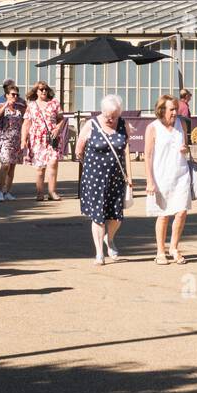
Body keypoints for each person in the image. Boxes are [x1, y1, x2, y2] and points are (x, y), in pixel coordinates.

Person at [76, 94, 132, 265]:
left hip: (117, 177)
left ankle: (110, 238)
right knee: (98, 216)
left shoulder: (123, 125)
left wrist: (129, 175)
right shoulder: (91, 125)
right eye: (107, 116)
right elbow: (79, 150)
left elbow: (126, 150)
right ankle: (99, 252)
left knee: (116, 216)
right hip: (95, 178)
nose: (110, 119)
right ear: (102, 111)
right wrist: (90, 167)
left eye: (114, 116)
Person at [145, 95, 192, 264]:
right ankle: (160, 251)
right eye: (171, 109)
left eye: (175, 109)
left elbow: (185, 146)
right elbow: (148, 156)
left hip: (181, 174)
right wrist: (150, 180)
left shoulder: (182, 124)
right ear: (161, 110)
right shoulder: (153, 128)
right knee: (163, 215)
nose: (175, 112)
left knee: (181, 212)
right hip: (161, 176)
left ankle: (174, 247)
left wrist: (185, 149)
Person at [21, 81, 64, 200]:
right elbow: (26, 123)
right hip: (37, 139)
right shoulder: (32, 105)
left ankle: (52, 192)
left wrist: (58, 128)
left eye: (45, 89)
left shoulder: (54, 103)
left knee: (53, 162)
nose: (44, 91)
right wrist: (23, 139)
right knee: (40, 168)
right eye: (41, 89)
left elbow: (61, 119)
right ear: (36, 92)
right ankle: (40, 193)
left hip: (52, 138)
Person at [0, 84, 24, 200]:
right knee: (5, 165)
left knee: (12, 166)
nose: (15, 96)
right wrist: (4, 107)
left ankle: (7, 191)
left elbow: (25, 122)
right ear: (7, 95)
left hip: (16, 141)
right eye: (13, 94)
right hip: (4, 140)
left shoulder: (20, 108)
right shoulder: (1, 105)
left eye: (17, 95)